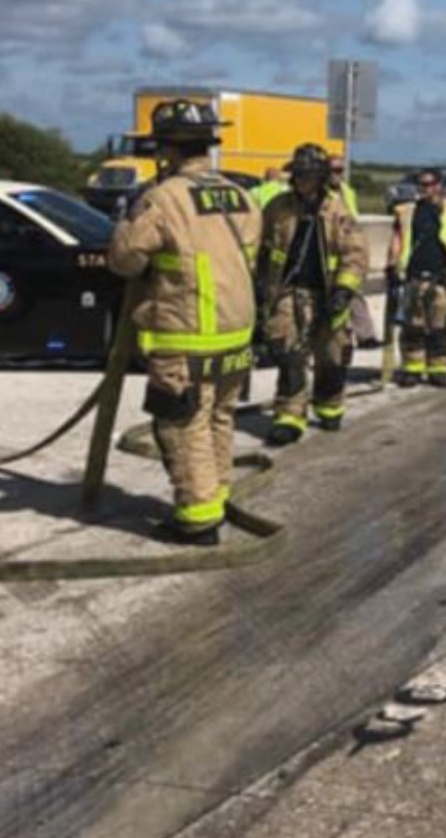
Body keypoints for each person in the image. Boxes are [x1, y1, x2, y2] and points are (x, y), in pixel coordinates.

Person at [106, 100, 260, 546]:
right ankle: (216, 496)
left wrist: (126, 220)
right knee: (219, 419)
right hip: (235, 333)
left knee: (181, 424)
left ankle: (197, 518)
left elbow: (125, 259)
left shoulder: (163, 199)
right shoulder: (242, 196)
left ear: (166, 150)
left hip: (186, 334)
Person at [258, 144, 368, 445]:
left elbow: (355, 254)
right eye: (299, 175)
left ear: (320, 178)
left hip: (329, 292)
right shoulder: (277, 208)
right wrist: (260, 285)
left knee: (332, 355)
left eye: (309, 176)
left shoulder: (337, 210)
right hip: (288, 291)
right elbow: (261, 247)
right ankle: (290, 415)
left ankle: (329, 405)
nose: (303, 181)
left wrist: (344, 290)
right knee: (288, 353)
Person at [387, 168, 446, 387]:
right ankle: (412, 369)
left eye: (430, 184)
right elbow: (397, 239)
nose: (426, 189)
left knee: (441, 325)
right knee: (412, 326)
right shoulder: (405, 211)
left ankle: (438, 369)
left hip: (442, 277)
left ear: (439, 186)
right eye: (422, 185)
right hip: (413, 275)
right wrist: (391, 267)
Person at [326, 154, 377, 344]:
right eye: (332, 170)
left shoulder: (348, 192)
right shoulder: (321, 194)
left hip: (349, 255)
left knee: (354, 293)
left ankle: (365, 335)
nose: (336, 174)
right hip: (329, 258)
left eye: (340, 170)